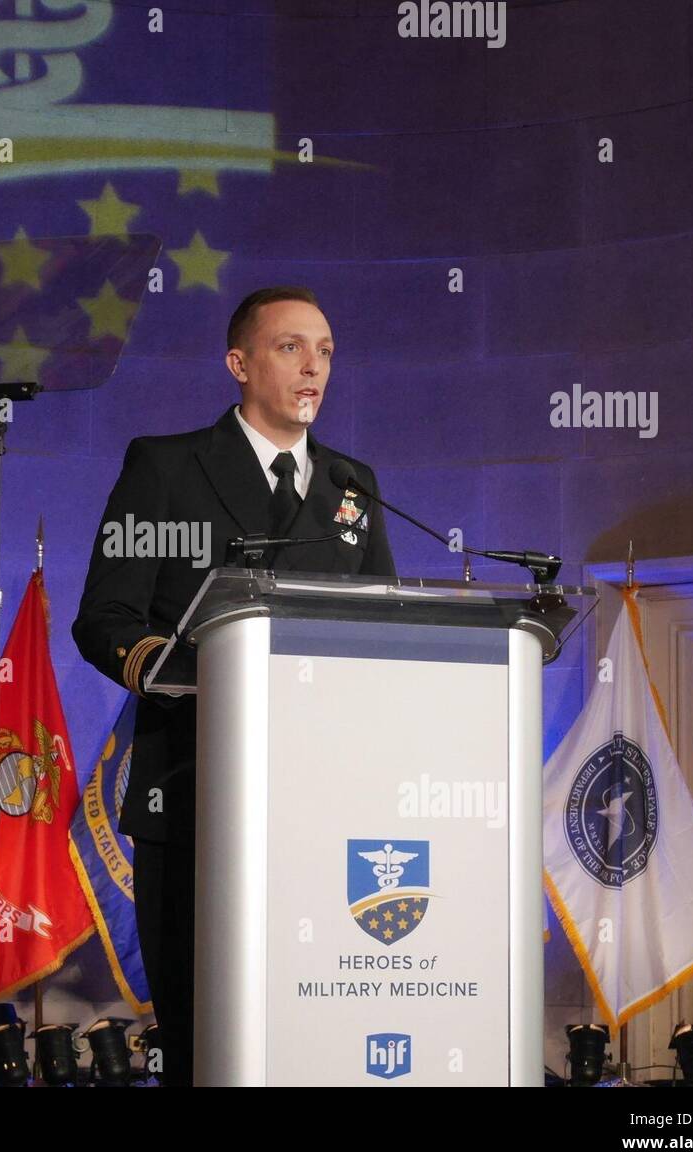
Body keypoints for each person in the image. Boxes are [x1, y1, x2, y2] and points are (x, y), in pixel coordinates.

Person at [72, 286, 397, 1085]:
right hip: (194, 790)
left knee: (307, 1031)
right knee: (205, 1035)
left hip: (317, 803)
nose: (313, 366)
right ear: (239, 364)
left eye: (325, 350)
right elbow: (104, 616)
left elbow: (382, 629)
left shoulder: (352, 486)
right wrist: (176, 666)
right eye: (290, 347)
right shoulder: (166, 467)